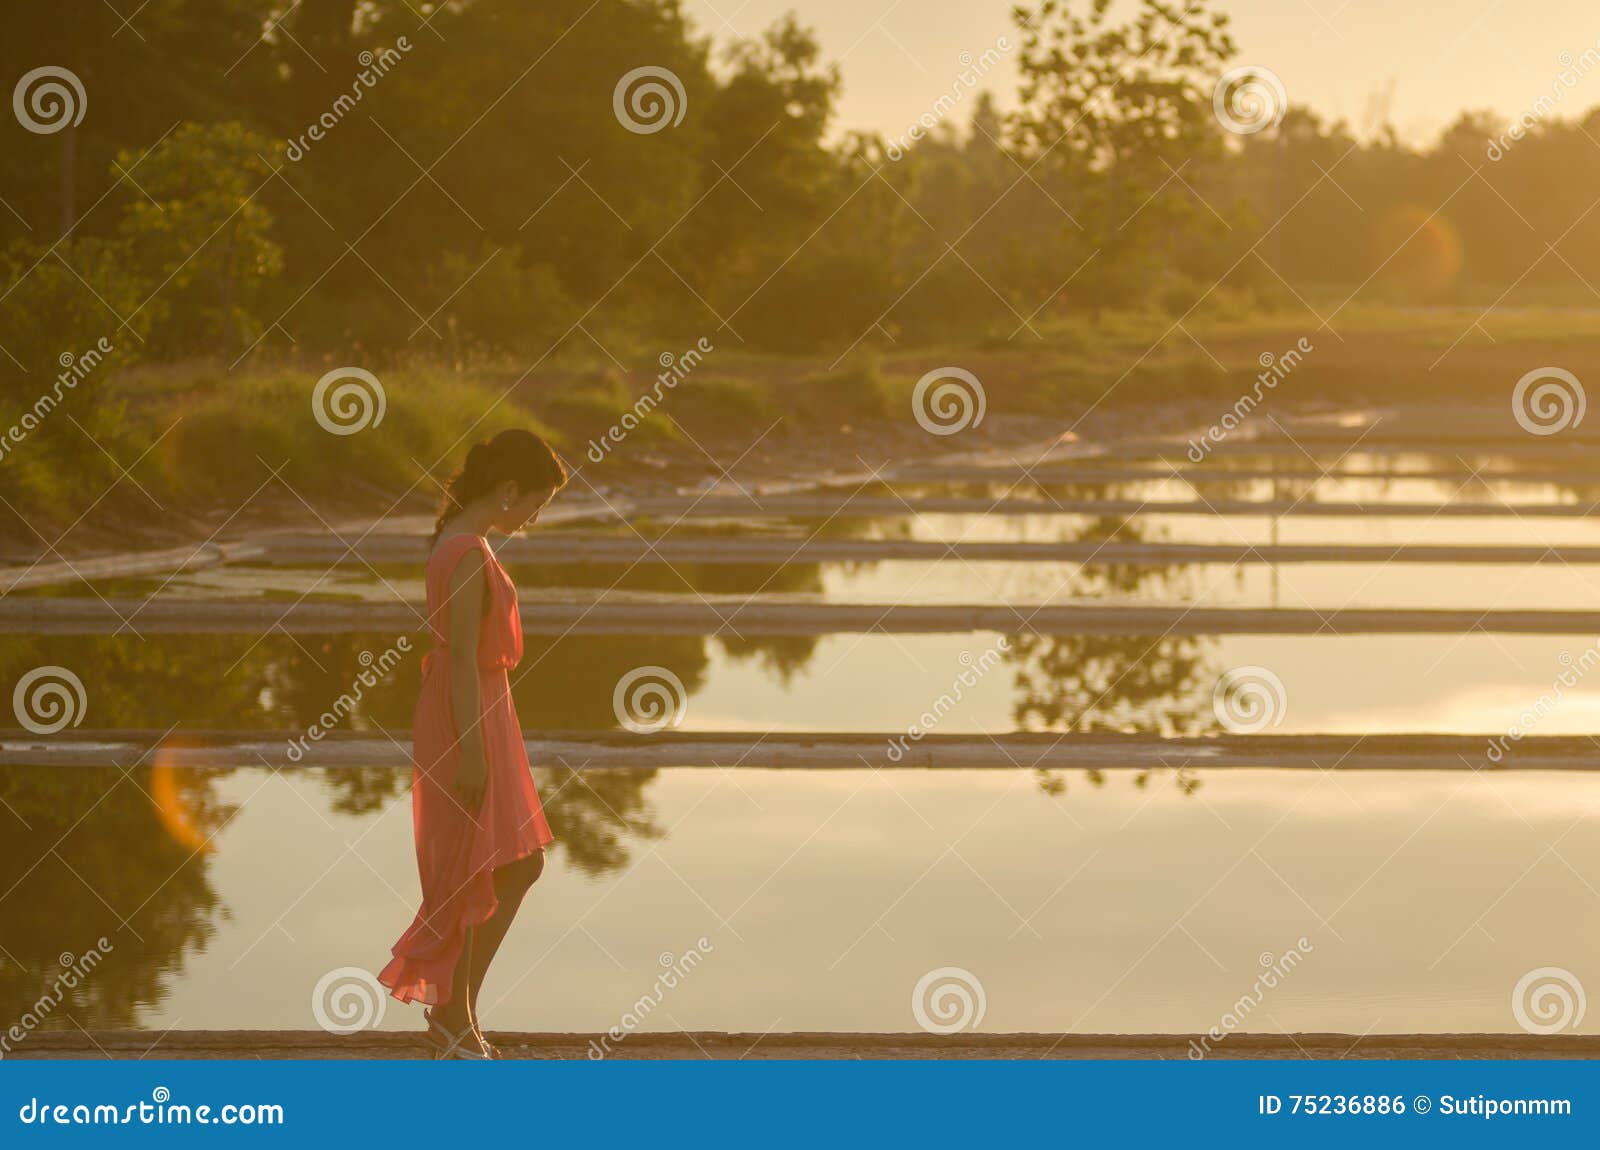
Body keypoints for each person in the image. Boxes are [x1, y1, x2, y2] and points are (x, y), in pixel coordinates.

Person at [379, 428, 569, 1059]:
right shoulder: (466, 551)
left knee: (507, 863)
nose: (536, 517)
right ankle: (452, 1014)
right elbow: (462, 659)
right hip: (468, 718)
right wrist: (473, 752)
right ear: (508, 489)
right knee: (481, 867)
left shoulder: (466, 542)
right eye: (536, 503)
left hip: (484, 710)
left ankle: (456, 1010)